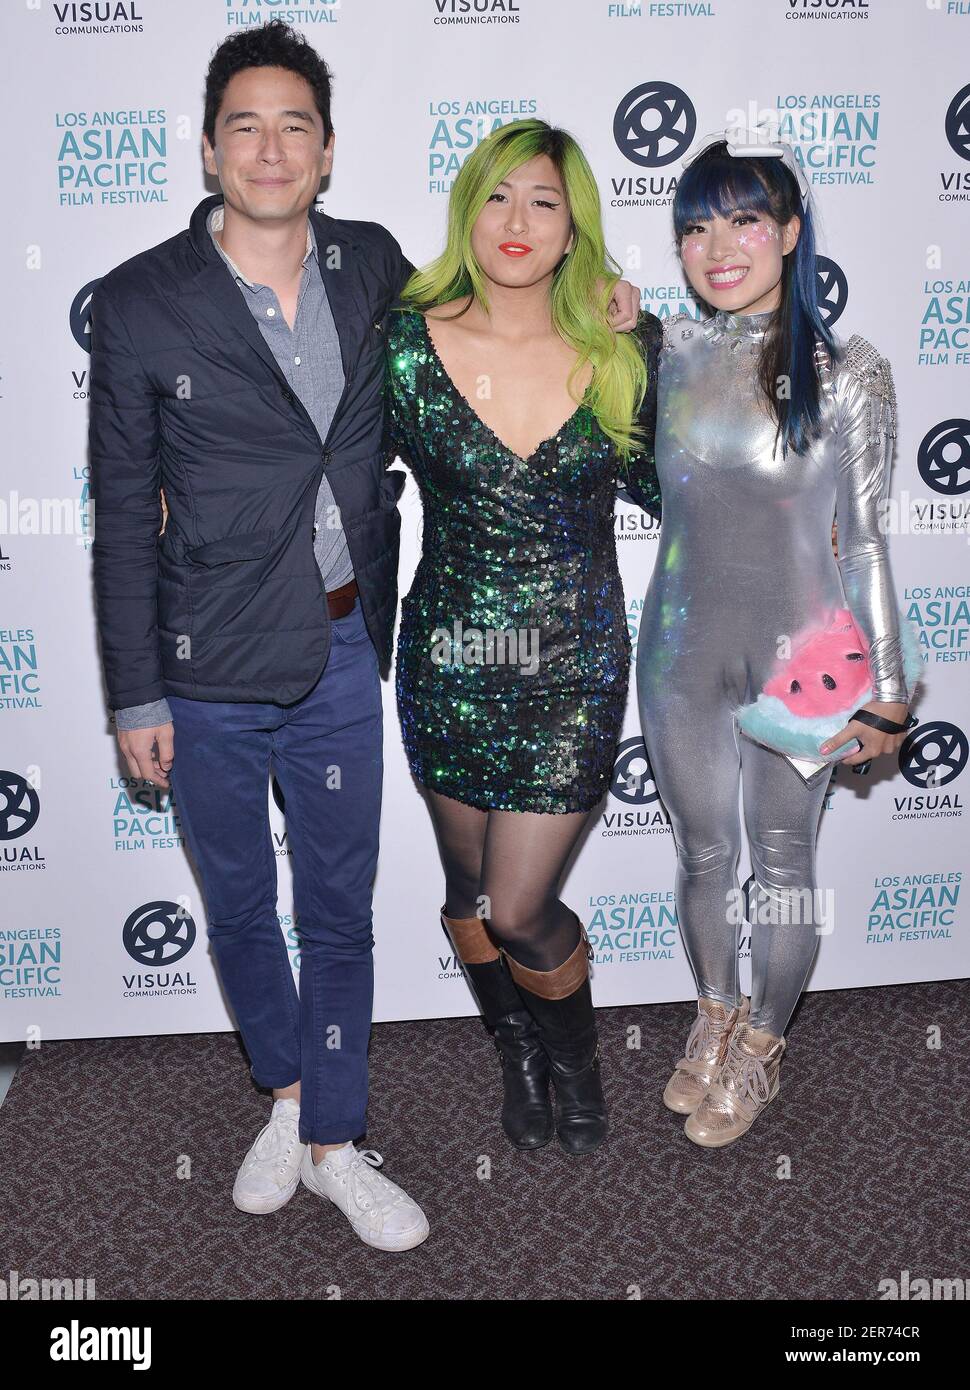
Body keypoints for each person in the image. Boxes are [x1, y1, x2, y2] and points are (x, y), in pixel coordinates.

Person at [89, 22, 640, 1244]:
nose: (271, 148)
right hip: (206, 667)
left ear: (328, 152)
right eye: (246, 125)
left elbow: (504, 318)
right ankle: (288, 1095)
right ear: (209, 147)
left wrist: (605, 297)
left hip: (345, 651)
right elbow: (123, 516)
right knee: (239, 909)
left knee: (339, 912)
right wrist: (136, 696)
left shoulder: (377, 268)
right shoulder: (138, 305)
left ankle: (334, 1136)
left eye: (296, 126)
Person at [382, 119, 663, 1156]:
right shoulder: (406, 341)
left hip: (570, 664)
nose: (517, 221)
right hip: (451, 661)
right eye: (498, 197)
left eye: (543, 201)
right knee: (467, 890)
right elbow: (330, 471)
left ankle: (576, 1058)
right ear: (469, 210)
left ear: (570, 224)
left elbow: (676, 485)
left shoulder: (622, 343)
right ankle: (516, 1045)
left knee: (518, 903)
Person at [634, 132, 916, 1148]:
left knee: (784, 863)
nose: (720, 245)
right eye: (696, 226)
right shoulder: (658, 352)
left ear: (790, 234)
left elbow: (869, 539)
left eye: (745, 220)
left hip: (806, 659)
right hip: (675, 650)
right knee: (703, 853)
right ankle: (712, 1014)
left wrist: (888, 692)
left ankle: (760, 1044)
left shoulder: (849, 372)